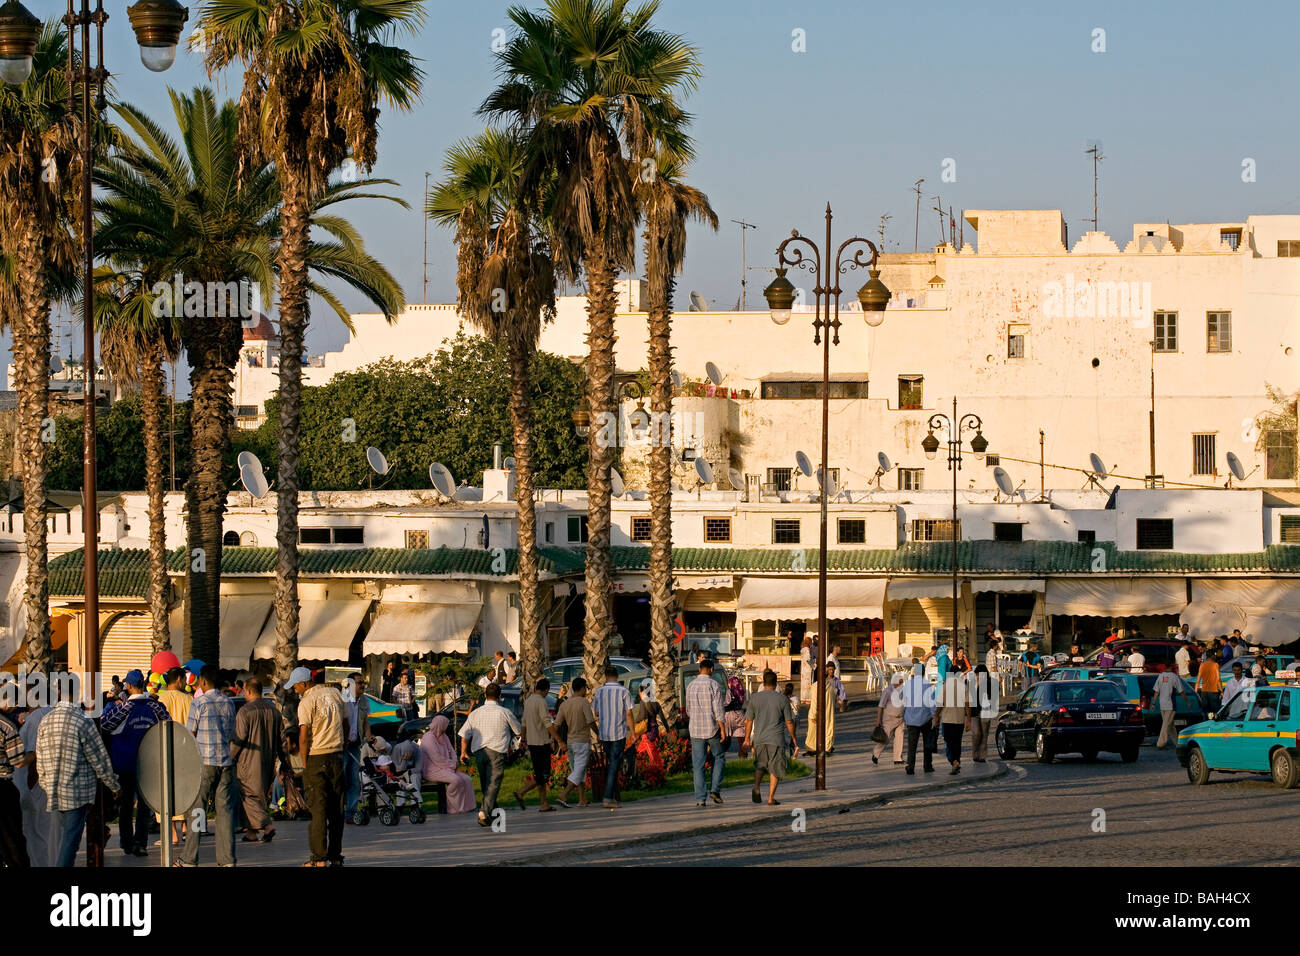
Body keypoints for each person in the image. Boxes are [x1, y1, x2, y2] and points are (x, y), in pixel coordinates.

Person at [35, 697, 120, 867]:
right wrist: (113, 784)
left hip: (53, 788)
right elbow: (99, 758)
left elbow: (40, 758)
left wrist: (45, 784)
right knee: (70, 840)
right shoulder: (82, 721)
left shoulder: (45, 721)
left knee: (63, 838)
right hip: (77, 791)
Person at [99, 669, 170, 857]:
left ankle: (127, 843)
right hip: (149, 763)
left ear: (129, 686)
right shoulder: (156, 707)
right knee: (144, 806)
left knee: (126, 805)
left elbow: (104, 725)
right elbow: (169, 724)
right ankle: (141, 844)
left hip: (125, 764)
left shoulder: (122, 709)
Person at [180, 665, 237, 867]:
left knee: (198, 811)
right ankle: (227, 860)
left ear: (203, 682)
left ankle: (189, 858)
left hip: (204, 763)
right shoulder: (229, 702)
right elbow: (232, 733)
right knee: (225, 813)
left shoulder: (199, 703)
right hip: (226, 763)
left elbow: (190, 734)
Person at [292, 666, 348, 865]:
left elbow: (304, 736)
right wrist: (343, 745)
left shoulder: (306, 702)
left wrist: (305, 764)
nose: (294, 690)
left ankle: (318, 857)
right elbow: (346, 723)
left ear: (305, 683)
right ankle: (335, 856)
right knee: (336, 811)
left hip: (317, 757)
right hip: (337, 756)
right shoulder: (336, 694)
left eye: (296, 686)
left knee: (318, 811)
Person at [229, 677, 284, 843]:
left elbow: (239, 738)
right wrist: (284, 761)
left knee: (248, 795)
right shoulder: (274, 711)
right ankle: (251, 833)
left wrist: (229, 757)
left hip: (248, 761)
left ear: (248, 691)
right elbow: (282, 739)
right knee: (259, 796)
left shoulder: (245, 711)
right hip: (268, 760)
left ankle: (267, 825)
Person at [458, 682, 521, 827]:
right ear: (499, 697)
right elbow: (517, 730)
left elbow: (465, 734)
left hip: (479, 752)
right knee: (493, 784)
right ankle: (484, 812)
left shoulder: (475, 713)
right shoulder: (505, 712)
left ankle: (491, 817)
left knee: (486, 784)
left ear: (485, 696)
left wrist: (463, 752)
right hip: (496, 751)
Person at [742, 669, 797, 806]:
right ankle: (771, 798)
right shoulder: (782, 699)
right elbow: (789, 722)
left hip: (759, 738)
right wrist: (793, 737)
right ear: (776, 683)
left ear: (763, 682)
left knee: (760, 765)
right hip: (776, 739)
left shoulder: (754, 698)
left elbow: (748, 720)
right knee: (775, 767)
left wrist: (747, 739)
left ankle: (756, 787)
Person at [15, 698, 54, 867]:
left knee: (34, 831)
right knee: (47, 831)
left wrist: (30, 787)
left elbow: (34, 753)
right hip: (48, 782)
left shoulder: (36, 718)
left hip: (35, 784)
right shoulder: (51, 713)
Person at [591, 666, 636, 809]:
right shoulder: (624, 691)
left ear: (605, 676)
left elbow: (596, 713)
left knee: (612, 764)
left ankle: (613, 795)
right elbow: (629, 713)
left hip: (604, 733)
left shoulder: (599, 692)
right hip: (618, 733)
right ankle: (608, 797)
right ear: (617, 676)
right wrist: (633, 733)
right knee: (614, 765)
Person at [514, 677, 562, 812]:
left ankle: (543, 803)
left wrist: (523, 740)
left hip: (532, 743)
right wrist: (558, 739)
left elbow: (523, 723)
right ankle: (521, 792)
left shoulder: (528, 701)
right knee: (544, 775)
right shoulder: (541, 701)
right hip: (542, 743)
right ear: (546, 690)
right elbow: (547, 723)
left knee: (539, 773)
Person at [685, 658, 727, 807]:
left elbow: (688, 710)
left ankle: (700, 798)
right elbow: (718, 710)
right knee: (719, 757)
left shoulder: (690, 686)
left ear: (699, 669)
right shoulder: (714, 685)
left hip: (695, 730)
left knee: (698, 764)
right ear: (711, 670)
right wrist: (722, 728)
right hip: (712, 729)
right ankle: (715, 789)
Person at [554, 677, 597, 808]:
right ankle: (563, 794)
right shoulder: (583, 702)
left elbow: (556, 725)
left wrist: (556, 740)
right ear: (582, 688)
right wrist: (599, 734)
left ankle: (582, 799)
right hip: (582, 741)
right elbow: (590, 721)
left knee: (579, 770)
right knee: (579, 771)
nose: (586, 691)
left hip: (570, 742)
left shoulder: (565, 704)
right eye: (586, 688)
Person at [419, 715, 475, 813]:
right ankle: (453, 807)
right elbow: (436, 758)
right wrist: (452, 765)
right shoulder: (428, 738)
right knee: (456, 780)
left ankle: (467, 807)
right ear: (440, 725)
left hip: (447, 768)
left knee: (467, 779)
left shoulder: (443, 736)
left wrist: (455, 762)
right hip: (432, 770)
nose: (446, 728)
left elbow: (452, 751)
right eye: (445, 725)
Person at [0, 688, 29, 867]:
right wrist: (33, 755)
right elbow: (18, 761)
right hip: (2, 786)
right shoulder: (6, 726)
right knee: (13, 837)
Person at [341, 673, 371, 820]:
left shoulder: (364, 700)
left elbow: (365, 721)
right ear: (351, 684)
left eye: (363, 683)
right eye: (359, 683)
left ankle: (351, 813)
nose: (362, 686)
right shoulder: (342, 699)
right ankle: (338, 812)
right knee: (341, 779)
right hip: (342, 746)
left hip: (355, 744)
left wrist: (368, 735)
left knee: (354, 779)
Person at [901, 663, 938, 775]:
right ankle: (927, 765)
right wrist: (934, 716)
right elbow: (932, 703)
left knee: (912, 744)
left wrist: (904, 715)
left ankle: (910, 766)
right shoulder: (927, 685)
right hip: (925, 718)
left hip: (911, 718)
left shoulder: (907, 684)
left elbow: (903, 699)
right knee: (927, 743)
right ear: (923, 672)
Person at [937, 674, 970, 774]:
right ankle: (957, 761)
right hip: (959, 720)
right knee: (957, 742)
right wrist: (969, 720)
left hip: (947, 719)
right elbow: (967, 705)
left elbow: (940, 704)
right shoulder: (964, 687)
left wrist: (936, 716)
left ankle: (954, 761)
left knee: (948, 742)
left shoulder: (945, 687)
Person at [872, 672, 907, 765]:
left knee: (900, 737)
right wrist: (878, 720)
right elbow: (881, 706)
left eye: (901, 682)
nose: (900, 684)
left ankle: (897, 758)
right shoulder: (888, 691)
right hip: (889, 718)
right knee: (886, 737)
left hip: (900, 718)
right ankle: (876, 754)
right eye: (899, 682)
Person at [967, 664, 999, 761]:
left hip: (985, 712)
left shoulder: (990, 684)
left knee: (984, 735)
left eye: (981, 674)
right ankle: (975, 753)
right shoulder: (971, 683)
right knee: (976, 733)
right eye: (977, 674)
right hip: (974, 712)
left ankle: (982, 755)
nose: (979, 676)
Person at [805, 664, 837, 754]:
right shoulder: (831, 686)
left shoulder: (815, 687)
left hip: (817, 713)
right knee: (828, 729)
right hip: (829, 713)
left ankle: (812, 748)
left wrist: (813, 715)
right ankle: (827, 747)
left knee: (813, 731)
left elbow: (814, 702)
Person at [1150, 667, 1184, 750]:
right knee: (1166, 724)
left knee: (1170, 725)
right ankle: (1160, 743)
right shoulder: (1174, 677)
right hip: (1171, 705)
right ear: (1172, 667)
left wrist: (1153, 703)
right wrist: (1187, 701)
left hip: (1162, 704)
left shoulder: (1160, 676)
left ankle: (1177, 743)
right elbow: (1181, 691)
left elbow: (1156, 691)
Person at [798, 635, 813, 705]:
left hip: (803, 669)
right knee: (808, 684)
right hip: (807, 668)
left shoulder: (802, 649)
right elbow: (808, 658)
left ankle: (802, 698)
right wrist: (813, 662)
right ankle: (807, 699)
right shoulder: (807, 649)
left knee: (803, 684)